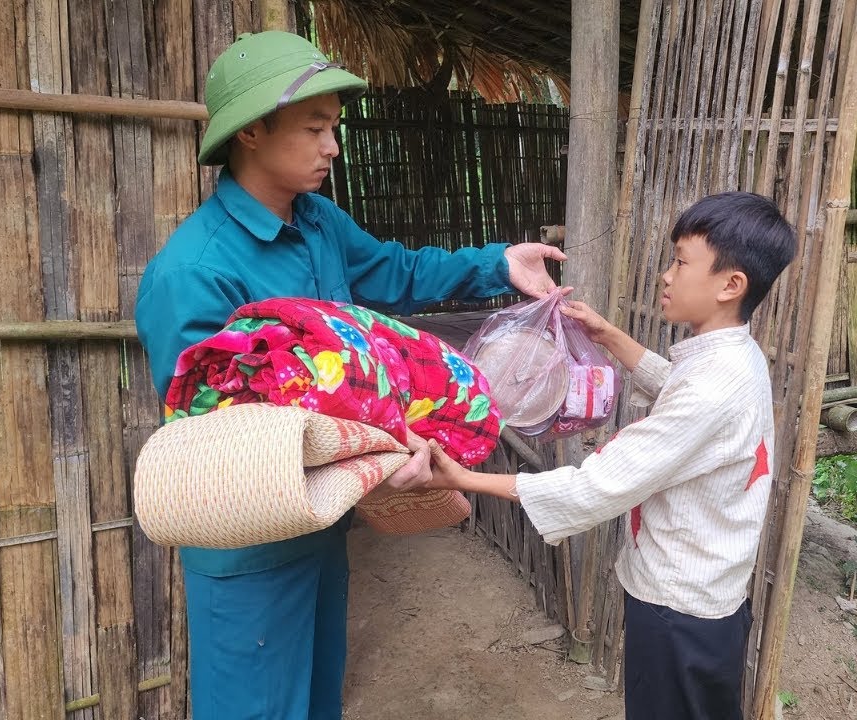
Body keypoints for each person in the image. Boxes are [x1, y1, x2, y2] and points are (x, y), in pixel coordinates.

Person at [134, 31, 565, 720]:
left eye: (332, 127)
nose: (333, 146)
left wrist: (497, 264)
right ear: (250, 133)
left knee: (315, 698)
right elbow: (208, 436)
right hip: (248, 541)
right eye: (314, 129)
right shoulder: (193, 274)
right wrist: (371, 441)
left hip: (320, 517)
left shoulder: (318, 225)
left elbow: (395, 273)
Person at [428, 192, 797, 719]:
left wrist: (466, 479)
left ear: (730, 285)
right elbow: (681, 394)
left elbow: (596, 487)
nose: (667, 276)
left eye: (681, 262)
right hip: (706, 602)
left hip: (677, 612)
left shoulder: (714, 387)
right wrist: (611, 338)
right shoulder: (738, 358)